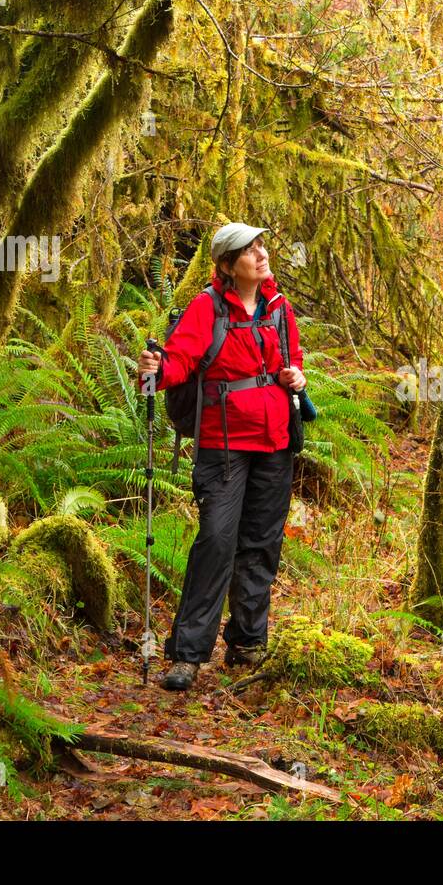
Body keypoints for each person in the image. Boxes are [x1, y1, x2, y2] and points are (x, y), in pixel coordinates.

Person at [138, 222, 306, 691]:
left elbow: (292, 363)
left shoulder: (278, 308)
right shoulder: (206, 308)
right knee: (215, 541)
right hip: (224, 446)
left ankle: (247, 643)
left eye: (261, 246)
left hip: (275, 444)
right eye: (249, 250)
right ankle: (188, 654)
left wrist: (296, 379)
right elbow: (178, 362)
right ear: (228, 266)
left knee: (261, 544)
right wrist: (155, 368)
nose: (261, 254)